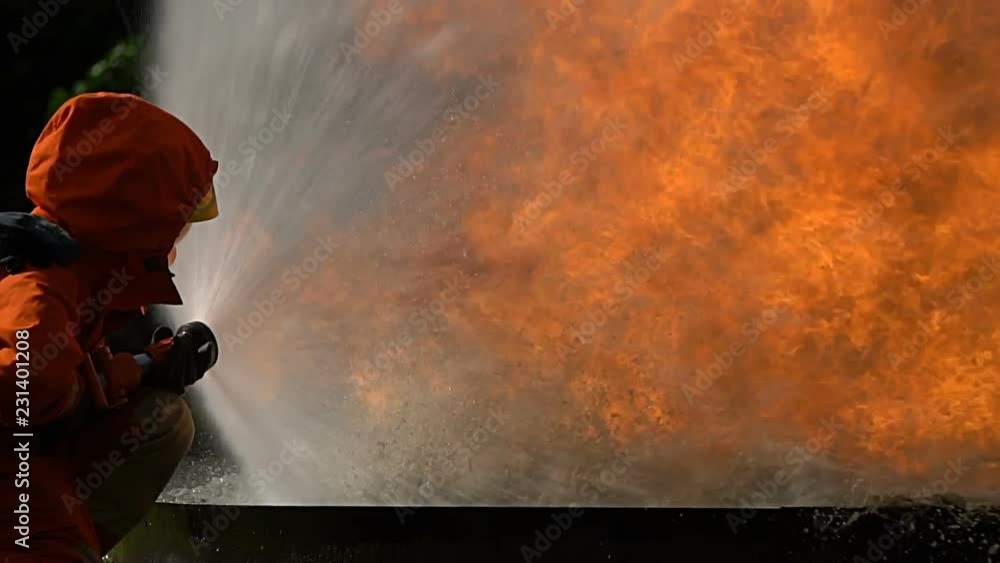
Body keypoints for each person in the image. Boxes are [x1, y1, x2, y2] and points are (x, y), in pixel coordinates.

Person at [0, 92, 220, 562]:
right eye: (173, 226)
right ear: (130, 221)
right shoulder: (37, 285)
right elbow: (24, 387)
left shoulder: (79, 276)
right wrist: (100, 385)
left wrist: (140, 368)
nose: (176, 242)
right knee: (42, 533)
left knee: (162, 420)